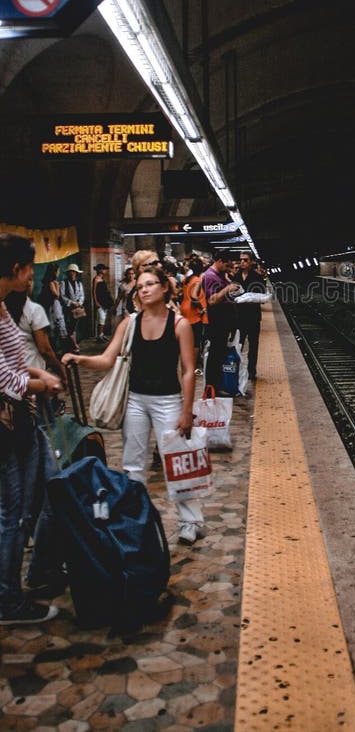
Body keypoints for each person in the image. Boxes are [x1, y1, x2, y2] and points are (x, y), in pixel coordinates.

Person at [62, 265, 204, 545]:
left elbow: (188, 370)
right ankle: (138, 517)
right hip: (135, 400)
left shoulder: (180, 324)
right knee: (132, 465)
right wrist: (80, 360)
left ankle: (191, 521)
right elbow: (106, 359)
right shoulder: (130, 323)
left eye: (151, 284)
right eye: (140, 286)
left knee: (176, 462)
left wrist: (187, 411)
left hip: (168, 401)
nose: (145, 289)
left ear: (165, 287)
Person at [1, 232, 64, 625]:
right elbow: (2, 377)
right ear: (15, 269)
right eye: (29, 269)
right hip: (7, 426)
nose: (32, 277)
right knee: (13, 515)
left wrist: (37, 370)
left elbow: (13, 359)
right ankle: (8, 600)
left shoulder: (4, 308)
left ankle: (40, 569)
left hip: (22, 417)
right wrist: (41, 384)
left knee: (52, 488)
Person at [202, 251, 241, 394]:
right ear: (219, 261)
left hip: (223, 323)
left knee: (219, 356)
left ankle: (217, 387)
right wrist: (227, 289)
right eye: (226, 264)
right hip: (217, 323)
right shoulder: (210, 276)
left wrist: (230, 284)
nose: (228, 267)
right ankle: (211, 389)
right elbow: (212, 300)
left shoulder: (219, 275)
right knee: (215, 356)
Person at [231, 251, 266, 382]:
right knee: (237, 344)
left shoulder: (257, 277)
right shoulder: (236, 276)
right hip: (238, 317)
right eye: (241, 260)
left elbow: (262, 297)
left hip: (253, 317)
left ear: (251, 262)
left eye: (245, 260)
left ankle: (252, 371)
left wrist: (250, 297)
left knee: (253, 345)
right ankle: (236, 369)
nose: (242, 262)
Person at [179, 255, 208, 374]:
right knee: (196, 341)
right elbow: (194, 296)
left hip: (184, 309)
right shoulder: (197, 280)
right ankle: (192, 365)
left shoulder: (187, 278)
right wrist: (202, 308)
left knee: (185, 340)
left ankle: (183, 365)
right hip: (193, 313)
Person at [38, 263, 69, 355]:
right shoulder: (52, 282)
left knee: (52, 330)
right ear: (54, 272)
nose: (59, 272)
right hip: (53, 307)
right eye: (58, 270)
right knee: (58, 327)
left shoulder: (46, 283)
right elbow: (57, 295)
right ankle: (60, 352)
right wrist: (57, 286)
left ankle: (55, 352)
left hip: (48, 307)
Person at [59, 263, 85, 354]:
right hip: (68, 309)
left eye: (74, 272)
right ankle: (74, 346)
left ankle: (72, 346)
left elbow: (82, 295)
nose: (72, 274)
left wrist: (79, 303)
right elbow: (62, 296)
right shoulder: (63, 283)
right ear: (68, 273)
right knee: (69, 328)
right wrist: (71, 303)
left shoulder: (79, 283)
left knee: (73, 327)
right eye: (71, 272)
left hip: (77, 309)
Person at [92, 264, 114, 342]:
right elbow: (94, 291)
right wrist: (96, 302)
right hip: (99, 301)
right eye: (103, 269)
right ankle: (99, 336)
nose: (105, 270)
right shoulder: (96, 279)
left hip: (104, 301)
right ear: (100, 270)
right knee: (101, 318)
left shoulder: (102, 278)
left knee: (103, 318)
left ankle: (101, 334)